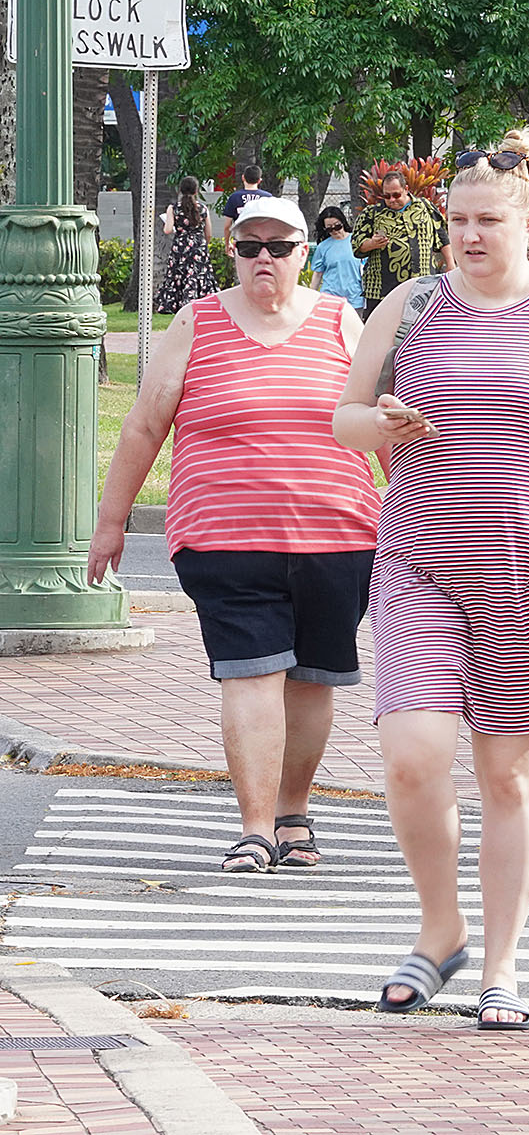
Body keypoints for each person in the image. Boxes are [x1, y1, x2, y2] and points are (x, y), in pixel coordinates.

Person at [335, 130, 529, 1033]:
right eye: (457, 220)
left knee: (506, 779)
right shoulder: (413, 303)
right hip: (419, 565)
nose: (469, 236)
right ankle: (441, 928)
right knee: (413, 756)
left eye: (487, 222)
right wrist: (381, 419)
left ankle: (501, 968)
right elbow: (345, 416)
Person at [89, 197, 379, 874]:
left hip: (337, 535)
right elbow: (142, 425)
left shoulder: (342, 323)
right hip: (223, 536)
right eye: (251, 247)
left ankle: (293, 813)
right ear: (233, 252)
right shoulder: (197, 322)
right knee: (251, 675)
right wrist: (110, 523)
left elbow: (376, 425)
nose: (265, 260)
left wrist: (419, 520)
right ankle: (255, 828)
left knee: (312, 680)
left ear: (305, 253)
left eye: (279, 247)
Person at [354, 169, 447, 315]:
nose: (391, 199)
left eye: (396, 194)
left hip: (422, 286)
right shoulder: (372, 214)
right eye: (387, 196)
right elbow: (356, 247)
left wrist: (451, 266)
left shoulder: (425, 207)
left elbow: (442, 237)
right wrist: (372, 244)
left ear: (406, 190)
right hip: (382, 290)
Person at [157, 177, 220, 313]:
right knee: (199, 276)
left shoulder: (173, 208)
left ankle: (179, 306)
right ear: (197, 191)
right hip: (198, 248)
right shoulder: (203, 209)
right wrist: (202, 244)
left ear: (180, 190)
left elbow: (167, 230)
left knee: (180, 276)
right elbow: (208, 233)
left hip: (180, 247)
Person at [311, 207, 365, 312]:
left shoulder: (356, 241)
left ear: (343, 222)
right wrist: (312, 296)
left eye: (337, 226)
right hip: (330, 299)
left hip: (355, 298)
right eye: (329, 229)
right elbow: (317, 274)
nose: (335, 231)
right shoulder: (323, 247)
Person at [218, 167, 269, 245]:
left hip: (241, 240)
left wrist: (227, 243)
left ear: (243, 177)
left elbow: (228, 225)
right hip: (263, 241)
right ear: (259, 180)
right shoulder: (268, 198)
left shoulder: (234, 197)